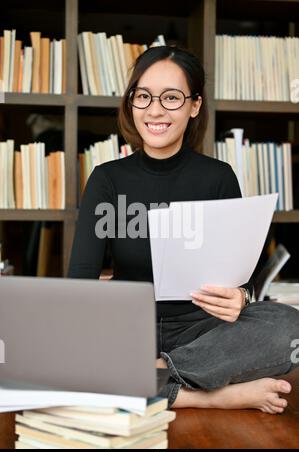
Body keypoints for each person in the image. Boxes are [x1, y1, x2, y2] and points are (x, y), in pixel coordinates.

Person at [68, 46, 299, 413]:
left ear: (194, 106)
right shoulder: (106, 180)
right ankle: (209, 396)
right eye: (143, 96)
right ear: (131, 104)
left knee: (290, 326)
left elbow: (243, 280)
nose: (155, 109)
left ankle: (152, 378)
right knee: (59, 343)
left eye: (171, 98)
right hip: (129, 327)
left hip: (202, 331)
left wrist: (241, 296)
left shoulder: (218, 177)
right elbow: (80, 281)